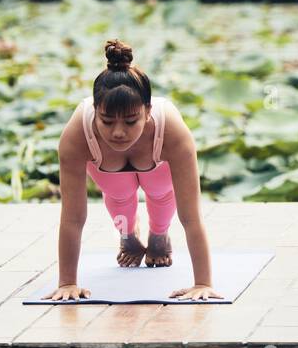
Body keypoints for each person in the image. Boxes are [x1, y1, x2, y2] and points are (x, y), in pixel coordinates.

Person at [43, 39, 222, 302]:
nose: (118, 132)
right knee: (119, 197)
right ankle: (128, 235)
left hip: (157, 166)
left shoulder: (171, 129)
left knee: (161, 194)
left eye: (130, 121)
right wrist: (67, 282)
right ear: (94, 112)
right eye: (106, 121)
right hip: (108, 171)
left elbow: (192, 217)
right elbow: (72, 218)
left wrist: (202, 283)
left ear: (148, 112)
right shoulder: (76, 134)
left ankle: (159, 234)